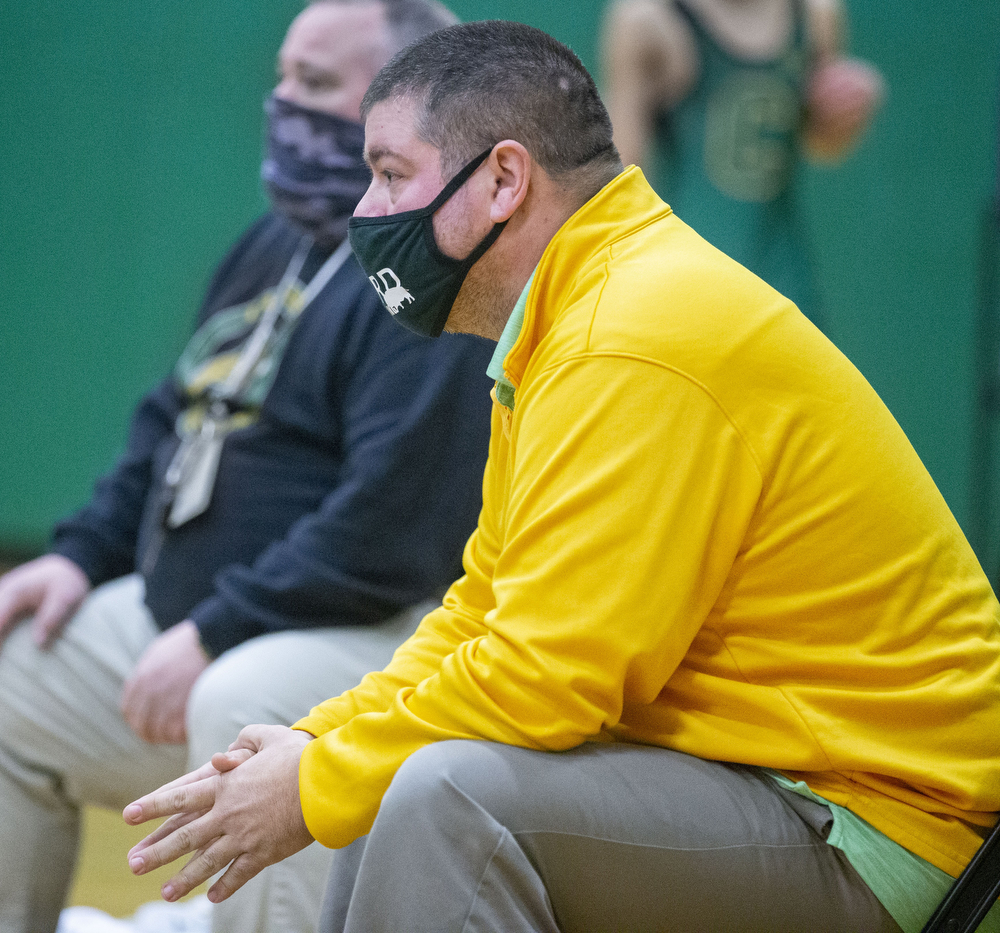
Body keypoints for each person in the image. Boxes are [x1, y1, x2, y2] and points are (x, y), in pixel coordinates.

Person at [123, 20, 1000, 933]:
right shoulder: (577, 312)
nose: (367, 211)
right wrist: (321, 739)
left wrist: (316, 783)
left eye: (389, 173)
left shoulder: (628, 335)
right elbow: (484, 607)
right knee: (393, 777)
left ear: (504, 180)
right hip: (771, 776)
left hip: (884, 826)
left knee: (446, 794)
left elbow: (550, 678)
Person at [0, 2, 493, 932]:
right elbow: (170, 422)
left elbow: (389, 528)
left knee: (247, 695)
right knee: (17, 667)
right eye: (282, 77)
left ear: (401, 109)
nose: (281, 104)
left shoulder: (424, 279)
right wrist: (78, 554)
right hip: (196, 617)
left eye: (315, 85)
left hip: (366, 634)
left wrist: (217, 629)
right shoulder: (274, 244)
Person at [599, 0, 884, 326]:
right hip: (687, 289)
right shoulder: (646, 20)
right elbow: (621, 176)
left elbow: (821, 144)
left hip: (784, 283)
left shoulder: (816, 14)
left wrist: (847, 108)